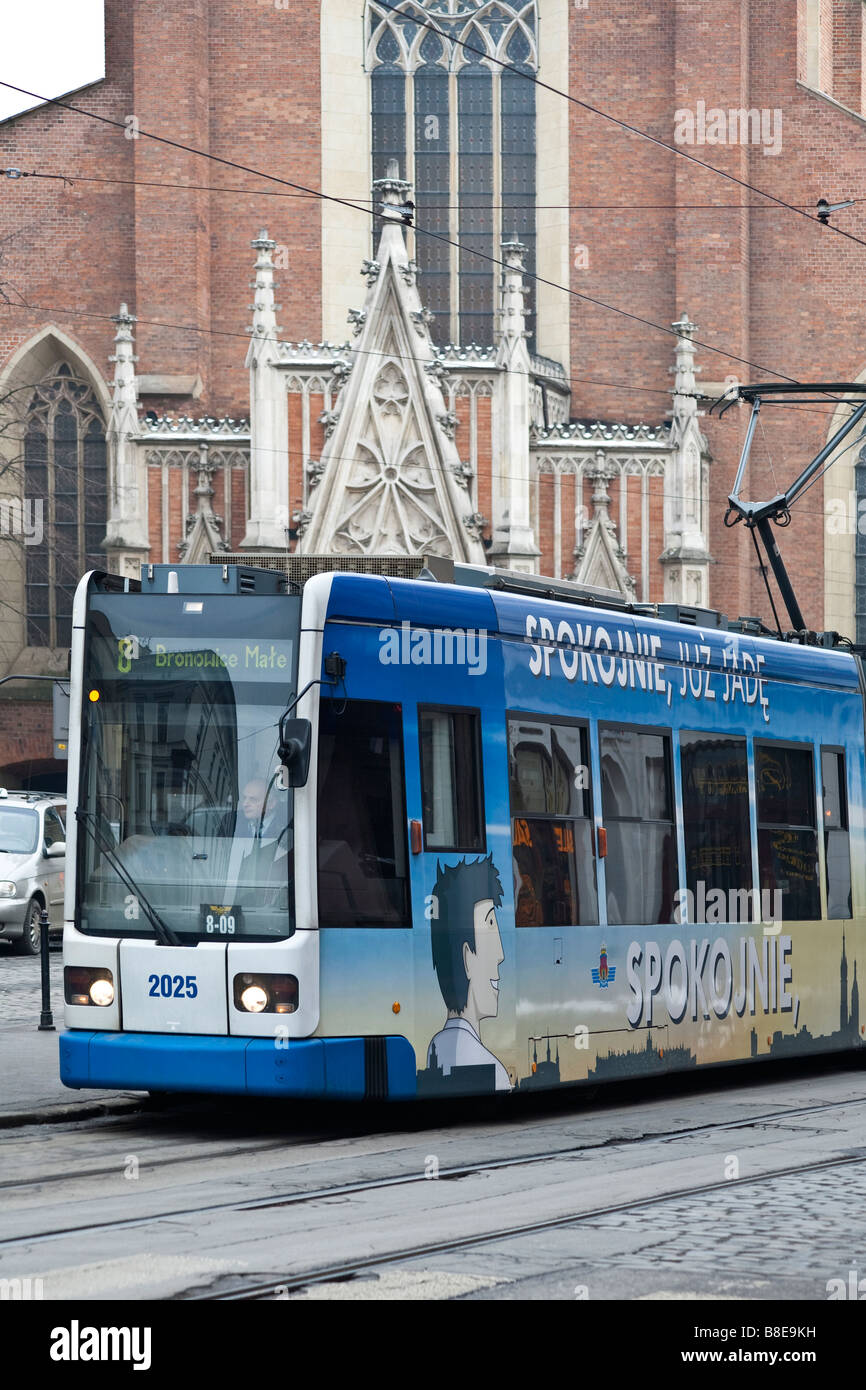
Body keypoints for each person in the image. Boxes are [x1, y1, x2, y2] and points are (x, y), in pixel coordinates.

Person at [425, 855, 512, 1092]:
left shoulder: (436, 1045)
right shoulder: (493, 1072)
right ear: (466, 957)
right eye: (490, 925)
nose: (501, 954)